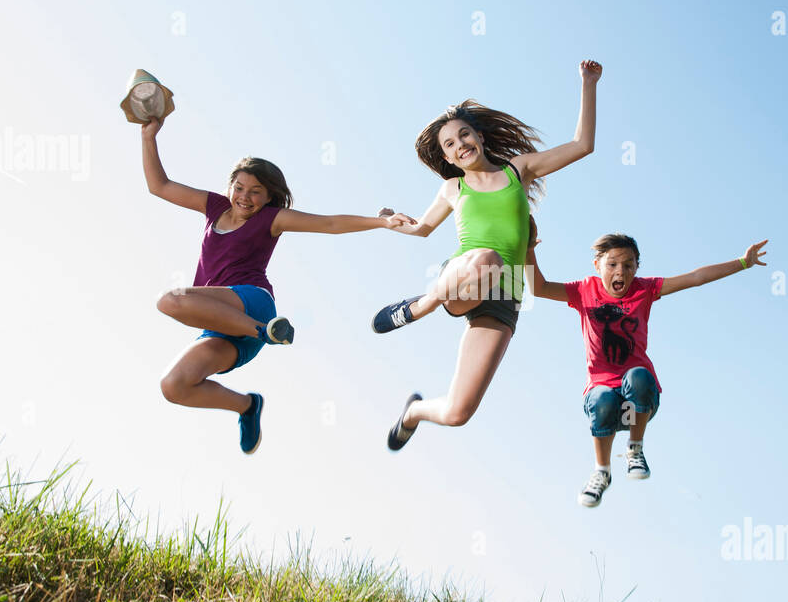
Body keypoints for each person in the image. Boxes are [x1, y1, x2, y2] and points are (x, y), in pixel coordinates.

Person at [141, 115, 415, 454]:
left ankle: (265, 332)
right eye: (239, 188)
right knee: (174, 386)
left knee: (171, 300)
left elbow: (328, 223)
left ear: (269, 197)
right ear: (229, 187)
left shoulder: (271, 219)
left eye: (256, 192)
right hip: (221, 326)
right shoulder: (214, 207)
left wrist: (382, 222)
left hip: (252, 304)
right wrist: (148, 135)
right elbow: (159, 186)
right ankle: (247, 406)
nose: (245, 197)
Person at [373, 60, 603, 450]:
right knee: (487, 260)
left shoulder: (518, 170)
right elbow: (422, 228)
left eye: (464, 135)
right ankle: (418, 307)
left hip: (504, 294)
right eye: (450, 144)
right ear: (446, 157)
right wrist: (389, 220)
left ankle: (413, 413)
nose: (460, 145)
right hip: (463, 278)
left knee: (459, 412)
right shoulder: (452, 189)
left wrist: (588, 84)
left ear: (478, 136)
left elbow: (583, 145)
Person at [525, 226, 769, 506]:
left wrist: (742, 262)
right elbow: (540, 288)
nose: (620, 272)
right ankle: (602, 472)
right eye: (612, 264)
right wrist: (529, 249)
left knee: (639, 376)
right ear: (597, 265)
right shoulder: (584, 291)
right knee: (602, 397)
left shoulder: (645, 289)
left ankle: (635, 448)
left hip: (638, 401)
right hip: (603, 396)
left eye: (629, 265)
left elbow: (695, 278)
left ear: (637, 268)